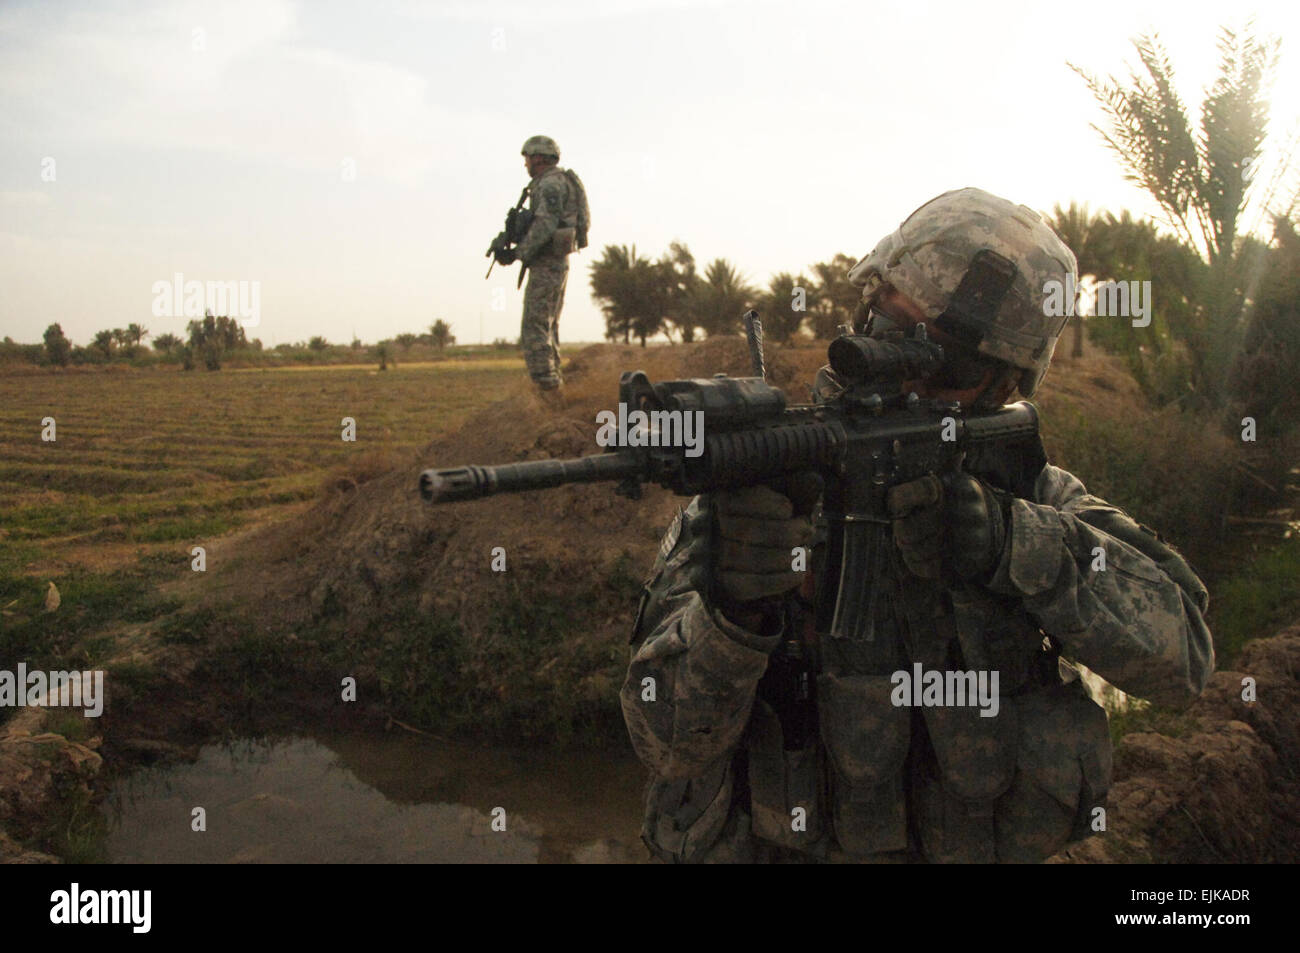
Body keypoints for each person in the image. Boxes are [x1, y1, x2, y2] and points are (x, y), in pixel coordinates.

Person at [619, 187, 1215, 863]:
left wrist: (1016, 545)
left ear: (1005, 386)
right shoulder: (761, 502)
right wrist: (731, 616)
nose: (908, 375)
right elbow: (663, 743)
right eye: (891, 332)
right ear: (862, 316)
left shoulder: (1031, 497)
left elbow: (1186, 658)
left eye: (949, 362)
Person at [493, 135, 582, 394]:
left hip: (548, 264)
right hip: (555, 263)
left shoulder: (551, 185)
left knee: (534, 327)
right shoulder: (551, 182)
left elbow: (545, 224)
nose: (526, 165)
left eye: (528, 158)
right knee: (547, 327)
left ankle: (547, 389)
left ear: (539, 157)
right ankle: (555, 385)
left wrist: (518, 253)